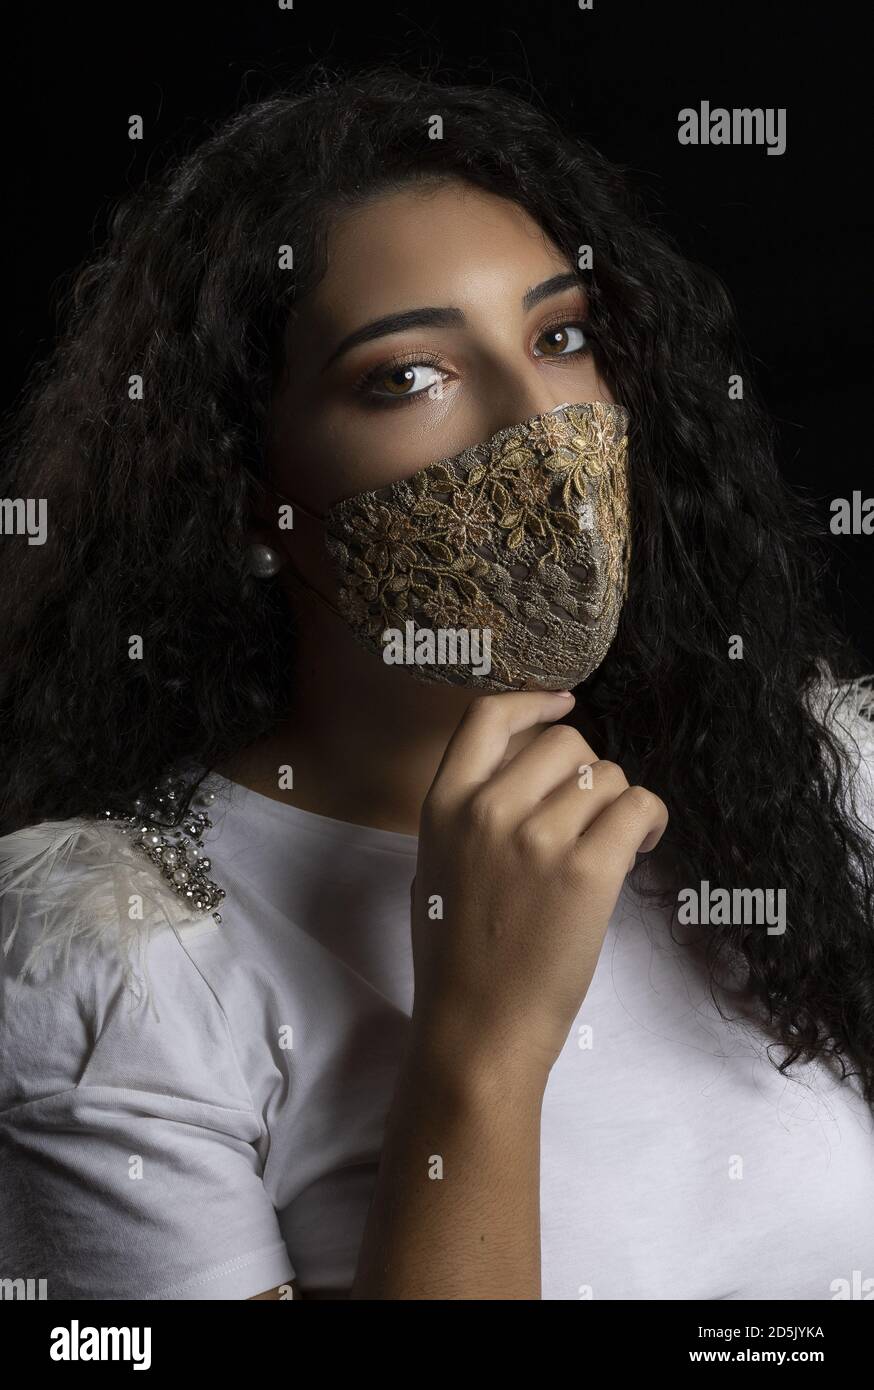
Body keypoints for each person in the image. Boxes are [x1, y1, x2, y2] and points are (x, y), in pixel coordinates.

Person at [1, 64, 873, 1302]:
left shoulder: (804, 784)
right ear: (250, 496)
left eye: (559, 337)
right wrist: (482, 1048)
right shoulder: (119, 968)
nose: (539, 432)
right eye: (407, 375)